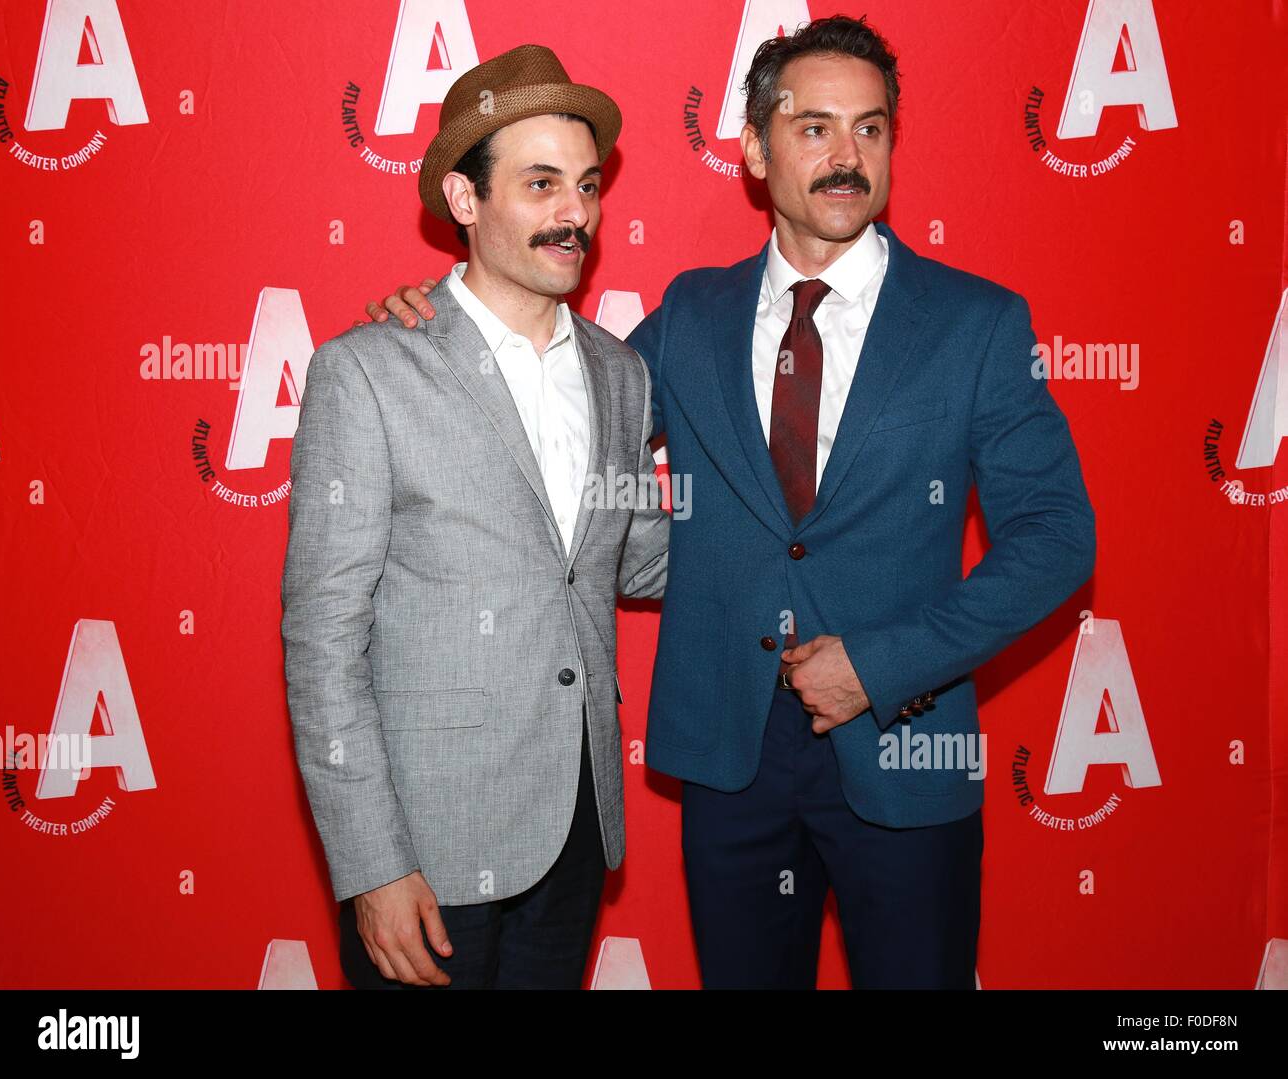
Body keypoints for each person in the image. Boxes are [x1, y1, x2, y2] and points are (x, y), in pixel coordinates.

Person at [368, 15, 1095, 989]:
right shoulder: (695, 315)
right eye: (813, 127)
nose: (846, 156)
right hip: (730, 760)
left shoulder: (976, 324)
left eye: (870, 129)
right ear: (752, 149)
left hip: (905, 749)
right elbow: (560, 393)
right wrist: (443, 315)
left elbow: (1055, 540)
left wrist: (879, 666)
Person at [281, 44, 668, 990]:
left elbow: (638, 561)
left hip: (576, 821)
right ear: (464, 200)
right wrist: (372, 862)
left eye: (584, 185)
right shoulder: (368, 370)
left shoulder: (624, 373)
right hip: (427, 842)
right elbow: (323, 636)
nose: (574, 213)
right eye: (540, 185)